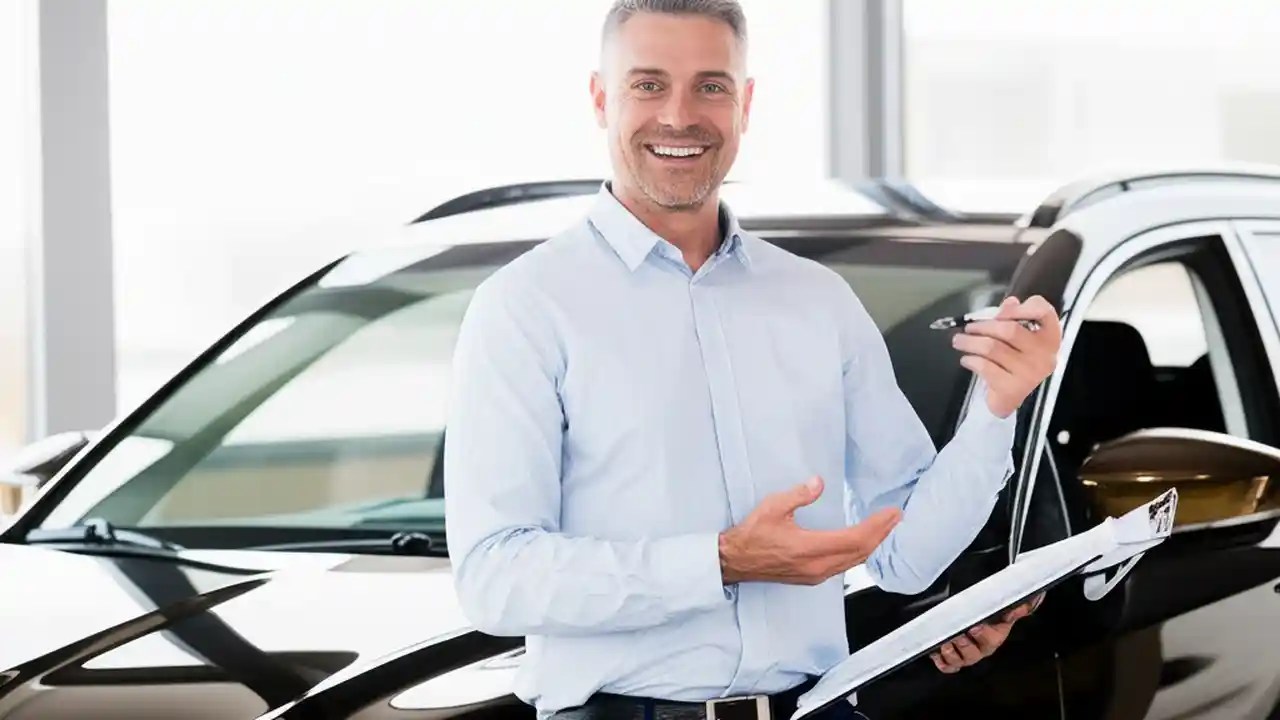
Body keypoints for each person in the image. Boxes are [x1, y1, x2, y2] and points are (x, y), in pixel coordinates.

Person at [443, 1, 1062, 717]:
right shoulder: (525, 305)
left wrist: (996, 407)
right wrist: (719, 562)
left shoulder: (816, 300)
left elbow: (905, 557)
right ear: (600, 97)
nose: (679, 116)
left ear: (746, 102)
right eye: (648, 84)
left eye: (710, 85)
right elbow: (495, 579)